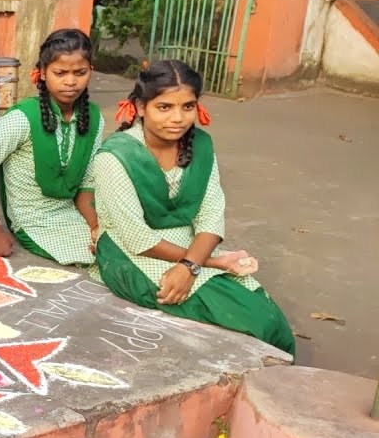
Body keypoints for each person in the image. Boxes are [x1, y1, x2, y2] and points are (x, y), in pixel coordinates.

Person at [90, 60, 295, 355]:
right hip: (129, 254)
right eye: (164, 107)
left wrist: (190, 266)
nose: (178, 118)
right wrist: (208, 263)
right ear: (141, 107)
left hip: (189, 250)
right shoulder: (115, 156)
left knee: (271, 321)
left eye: (187, 107)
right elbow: (137, 238)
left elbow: (211, 215)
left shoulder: (200, 146)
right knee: (254, 324)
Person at [0, 29, 104, 265]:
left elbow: (87, 183)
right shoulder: (22, 118)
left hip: (72, 212)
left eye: (80, 73)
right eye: (60, 73)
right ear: (43, 73)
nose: (70, 81)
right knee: (101, 260)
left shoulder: (95, 118)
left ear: (91, 70)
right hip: (32, 221)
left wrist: (95, 227)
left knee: (118, 244)